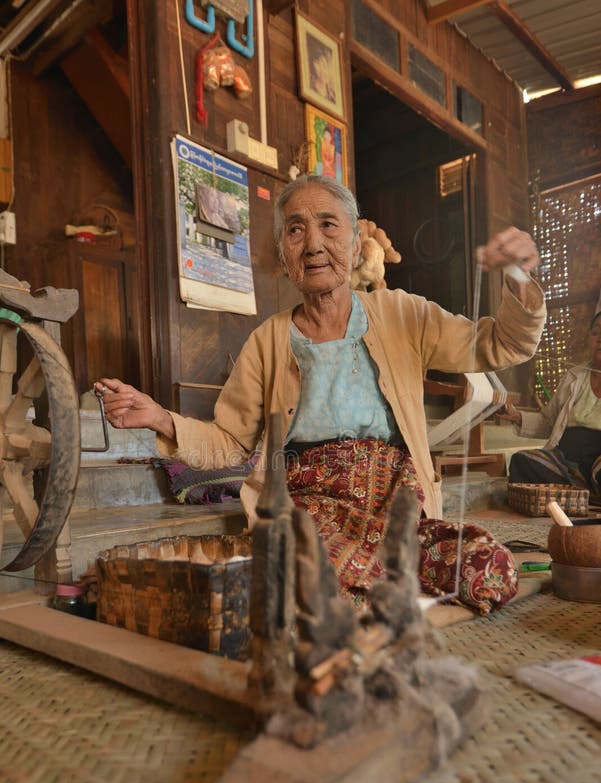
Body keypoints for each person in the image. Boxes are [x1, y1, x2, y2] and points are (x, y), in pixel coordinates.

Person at [98, 175, 545, 615]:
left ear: (354, 246)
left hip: (399, 509)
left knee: (491, 567)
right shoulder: (267, 342)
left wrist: (517, 274)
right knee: (306, 575)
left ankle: (375, 587)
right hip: (309, 511)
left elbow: (502, 344)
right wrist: (160, 418)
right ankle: (374, 592)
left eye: (328, 225)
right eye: (296, 229)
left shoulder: (403, 313)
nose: (312, 243)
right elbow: (230, 443)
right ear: (284, 253)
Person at [505, 310, 601, 496]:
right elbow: (549, 420)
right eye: (596, 332)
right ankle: (577, 495)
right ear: (589, 338)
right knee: (523, 460)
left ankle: (586, 496)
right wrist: (518, 417)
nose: (600, 339)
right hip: (565, 463)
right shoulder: (575, 376)